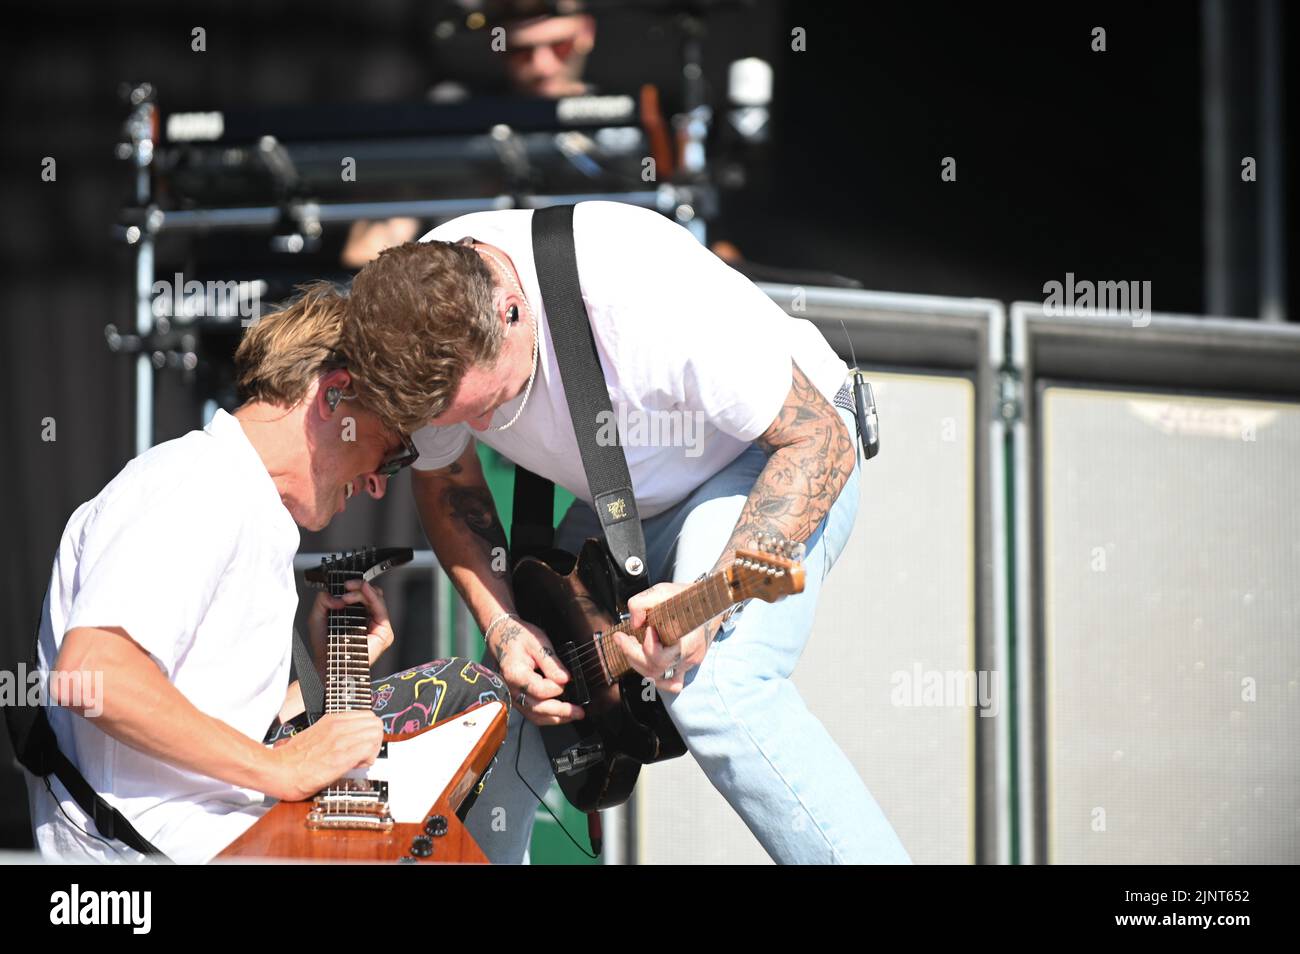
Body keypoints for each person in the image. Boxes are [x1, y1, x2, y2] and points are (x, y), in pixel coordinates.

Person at [346, 200, 911, 863]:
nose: (484, 425)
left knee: (717, 686)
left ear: (510, 310)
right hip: (626, 500)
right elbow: (448, 483)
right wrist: (505, 629)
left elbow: (818, 444)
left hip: (772, 458)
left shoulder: (637, 290)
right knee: (524, 702)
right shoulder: (412, 320)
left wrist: (711, 599)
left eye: (494, 404)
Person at [20, 283, 507, 863]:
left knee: (468, 696)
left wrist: (327, 680)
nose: (380, 481)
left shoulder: (247, 506)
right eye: (393, 451)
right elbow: (94, 674)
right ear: (334, 395)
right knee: (470, 691)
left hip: (224, 831)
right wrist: (281, 767)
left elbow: (215, 727)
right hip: (164, 849)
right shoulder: (198, 481)